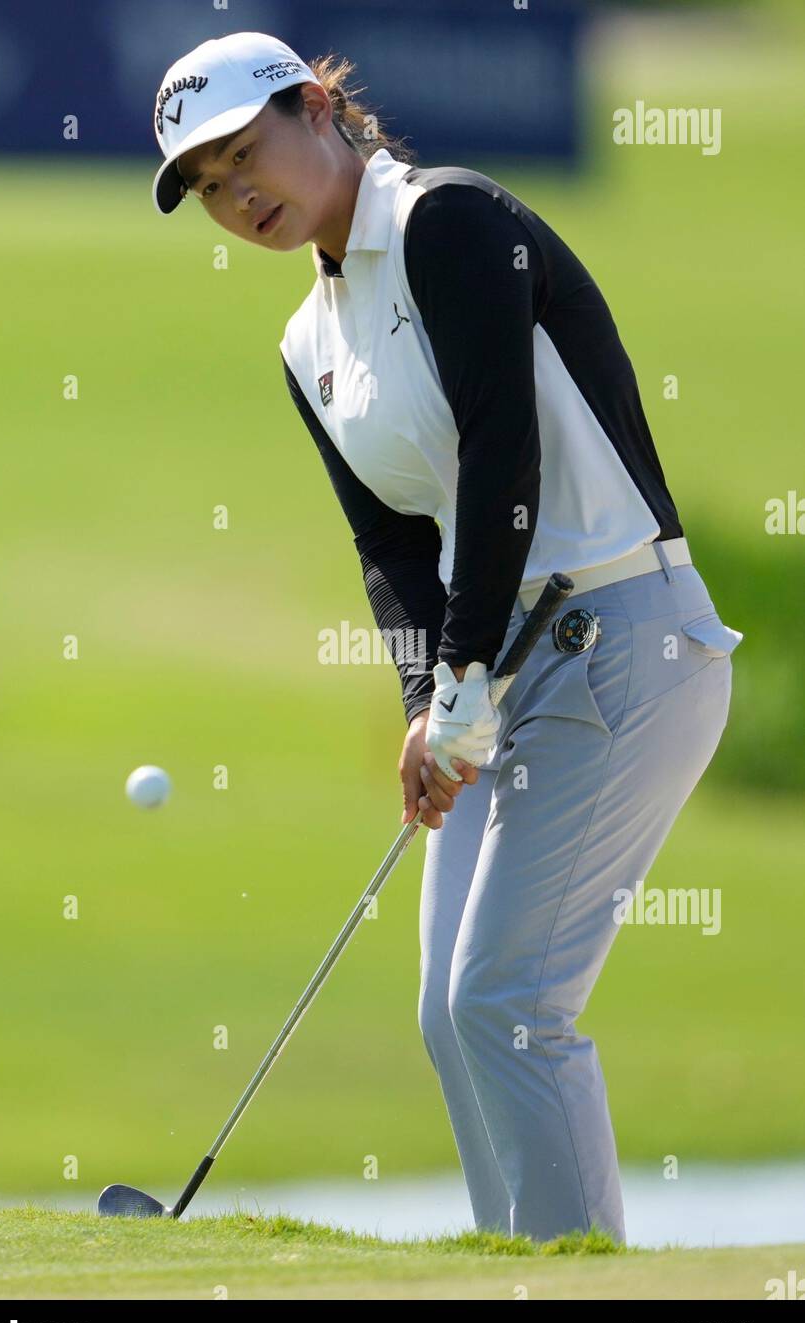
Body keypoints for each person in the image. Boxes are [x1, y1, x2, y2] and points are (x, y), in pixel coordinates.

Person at [151, 31, 743, 1243]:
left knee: (507, 1001)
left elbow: (500, 452)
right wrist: (430, 695)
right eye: (208, 184)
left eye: (244, 154)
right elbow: (389, 552)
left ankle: (578, 1292)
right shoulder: (304, 344)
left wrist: (464, 669)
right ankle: (506, 1274)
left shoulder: (450, 221)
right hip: (505, 661)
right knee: (446, 1007)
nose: (236, 195)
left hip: (624, 638)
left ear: (318, 107)